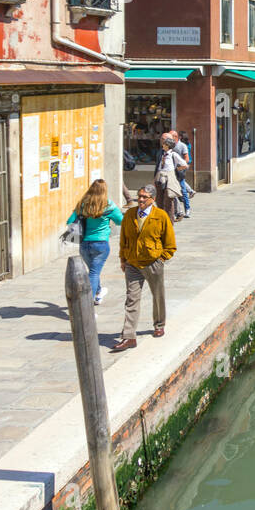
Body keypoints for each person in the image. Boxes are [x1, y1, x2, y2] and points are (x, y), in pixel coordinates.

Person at [111, 184, 176, 353]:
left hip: (153, 263)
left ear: (152, 199)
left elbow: (170, 244)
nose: (140, 199)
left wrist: (161, 259)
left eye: (144, 197)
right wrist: (123, 259)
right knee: (131, 299)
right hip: (132, 263)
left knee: (157, 296)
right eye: (139, 196)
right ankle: (129, 336)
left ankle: (159, 324)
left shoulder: (161, 216)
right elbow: (124, 239)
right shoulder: (130, 215)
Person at [67, 179, 123, 305]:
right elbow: (121, 221)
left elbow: (70, 221)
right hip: (101, 244)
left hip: (84, 244)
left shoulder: (82, 204)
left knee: (93, 271)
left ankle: (98, 292)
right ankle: (87, 305)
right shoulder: (109, 205)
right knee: (94, 272)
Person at [154, 135, 183, 221]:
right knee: (159, 199)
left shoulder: (173, 154)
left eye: (164, 143)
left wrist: (177, 169)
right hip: (160, 177)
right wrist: (155, 178)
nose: (162, 145)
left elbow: (184, 164)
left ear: (168, 145)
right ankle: (161, 218)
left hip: (169, 177)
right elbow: (158, 166)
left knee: (169, 198)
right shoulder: (161, 154)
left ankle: (170, 219)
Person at [167, 130, 193, 218]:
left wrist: (179, 168)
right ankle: (177, 210)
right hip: (171, 171)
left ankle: (187, 209)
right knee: (172, 191)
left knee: (183, 189)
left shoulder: (182, 146)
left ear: (175, 137)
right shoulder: (169, 146)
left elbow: (187, 159)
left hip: (179, 171)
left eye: (170, 137)